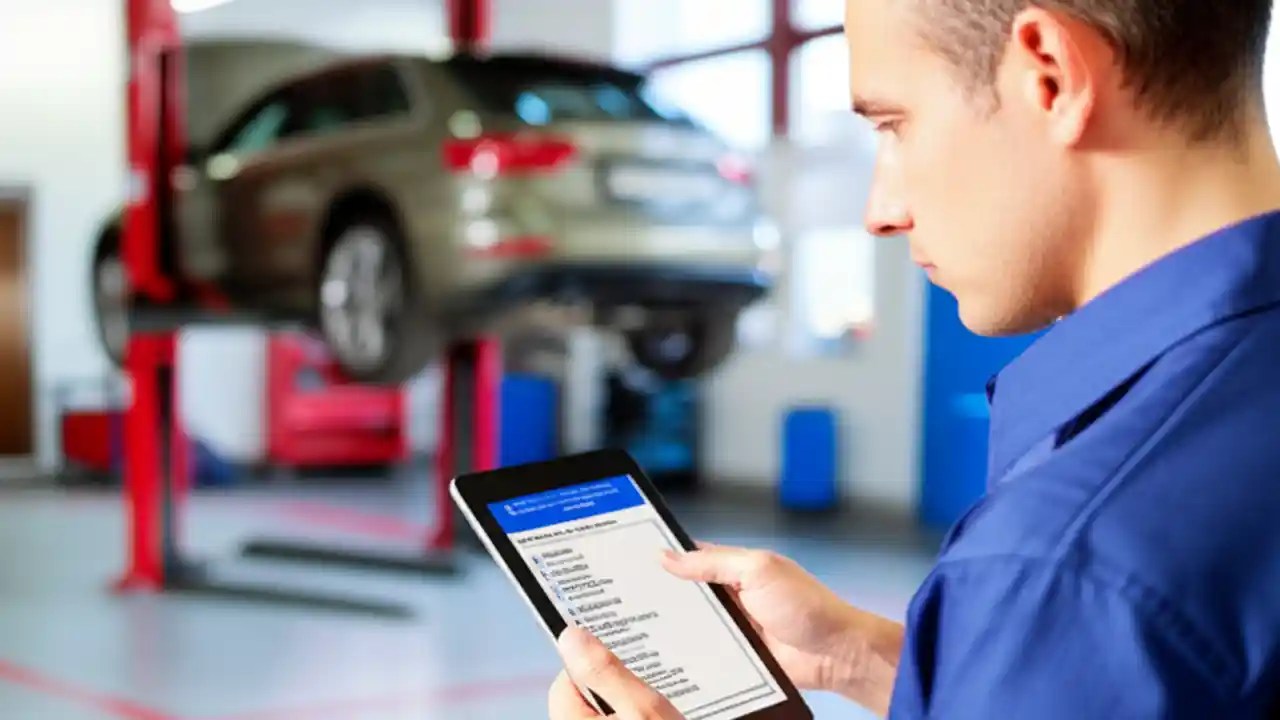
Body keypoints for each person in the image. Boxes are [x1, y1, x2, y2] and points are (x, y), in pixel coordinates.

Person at [551, 0, 1280, 716]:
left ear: (1050, 76)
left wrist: (1023, 632)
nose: (881, 212)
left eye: (894, 124)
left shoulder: (1064, 568)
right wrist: (866, 660)